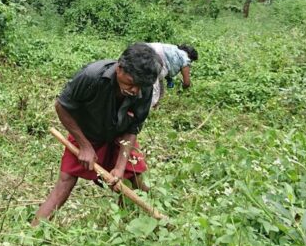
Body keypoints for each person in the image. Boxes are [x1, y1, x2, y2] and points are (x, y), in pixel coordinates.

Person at [33, 43, 161, 225]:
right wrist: (84, 145)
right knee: (64, 184)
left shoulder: (143, 86)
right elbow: (61, 106)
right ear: (119, 68)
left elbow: (133, 128)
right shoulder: (90, 77)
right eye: (132, 84)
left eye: (140, 87)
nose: (135, 91)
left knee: (136, 182)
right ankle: (29, 237)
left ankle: (134, 225)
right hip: (87, 134)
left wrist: (120, 166)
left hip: (121, 136)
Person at [147, 43, 198, 108]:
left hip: (141, 50)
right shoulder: (185, 58)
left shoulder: (173, 49)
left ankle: (154, 108)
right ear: (190, 57)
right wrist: (184, 89)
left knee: (159, 88)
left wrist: (169, 78)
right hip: (152, 61)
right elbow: (187, 83)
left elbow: (166, 62)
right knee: (155, 92)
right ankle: (150, 110)